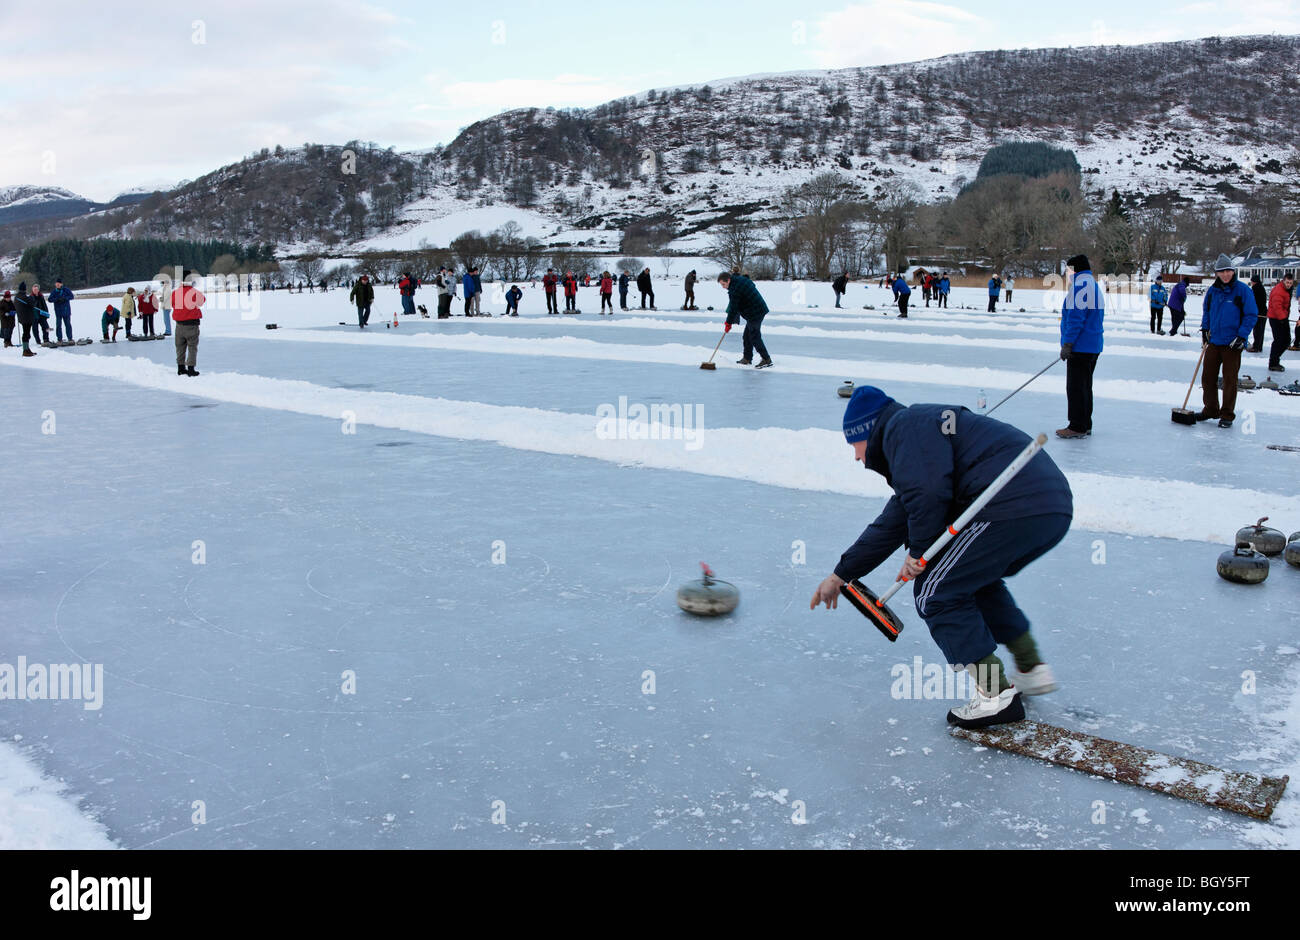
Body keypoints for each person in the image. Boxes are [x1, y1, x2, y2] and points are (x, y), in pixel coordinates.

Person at [809, 385, 1073, 728]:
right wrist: (841, 574)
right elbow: (897, 518)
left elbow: (928, 495)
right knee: (971, 582)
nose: (857, 457)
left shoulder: (903, 429)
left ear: (867, 432)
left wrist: (918, 553)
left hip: (1009, 502)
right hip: (1049, 505)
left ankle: (995, 695)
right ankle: (1030, 667)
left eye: (854, 446)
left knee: (937, 590)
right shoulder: (916, 438)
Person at [1197, 254, 1258, 429]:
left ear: (1233, 271)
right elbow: (1207, 311)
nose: (1225, 275)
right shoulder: (1212, 291)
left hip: (1233, 343)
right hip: (1215, 340)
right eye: (1222, 272)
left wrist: (1242, 336)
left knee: (1229, 380)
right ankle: (1210, 410)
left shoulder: (1242, 290)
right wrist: (1205, 330)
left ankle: (1227, 415)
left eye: (1228, 271)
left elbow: (1251, 314)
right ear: (1216, 273)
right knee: (1207, 377)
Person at [1057, 254, 1104, 440]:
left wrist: (1068, 343)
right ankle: (1085, 424)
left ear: (1074, 269)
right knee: (1085, 386)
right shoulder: (1092, 284)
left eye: (1068, 269)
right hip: (1092, 346)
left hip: (1080, 346)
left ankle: (1077, 426)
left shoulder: (1080, 286)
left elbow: (1076, 318)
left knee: (1076, 387)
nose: (1067, 273)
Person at [720, 271, 771, 368]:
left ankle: (766, 359)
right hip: (756, 309)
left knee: (754, 336)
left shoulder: (735, 289)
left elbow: (733, 308)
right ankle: (747, 358)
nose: (723, 287)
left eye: (723, 284)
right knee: (747, 336)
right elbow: (751, 283)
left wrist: (728, 323)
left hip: (755, 312)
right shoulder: (740, 279)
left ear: (729, 280)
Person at [172, 270, 205, 376]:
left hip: (179, 325)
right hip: (191, 325)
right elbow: (202, 301)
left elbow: (172, 304)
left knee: (180, 347)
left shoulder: (175, 293)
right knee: (192, 347)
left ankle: (180, 368)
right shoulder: (193, 292)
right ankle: (191, 368)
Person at [1265, 273, 1293, 373]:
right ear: (1283, 281)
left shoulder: (1286, 290)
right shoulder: (1279, 291)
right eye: (1287, 282)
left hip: (1282, 317)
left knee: (1286, 341)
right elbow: (1277, 306)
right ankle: (1273, 362)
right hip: (1276, 318)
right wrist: (1283, 319)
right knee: (1279, 341)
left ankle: (1275, 360)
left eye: (1290, 283)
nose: (1289, 284)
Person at [13, 283, 38, 356]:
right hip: (26, 319)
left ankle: (27, 349)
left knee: (26, 334)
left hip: (22, 318)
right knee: (26, 334)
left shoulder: (17, 297)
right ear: (24, 289)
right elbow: (33, 303)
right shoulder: (23, 297)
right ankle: (25, 350)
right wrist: (33, 297)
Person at [49, 278, 75, 343]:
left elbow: (72, 296)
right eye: (56, 284)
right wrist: (57, 299)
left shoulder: (66, 290)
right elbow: (49, 299)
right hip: (58, 312)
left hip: (66, 311)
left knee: (68, 325)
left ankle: (70, 338)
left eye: (59, 284)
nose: (57, 285)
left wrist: (65, 298)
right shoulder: (54, 291)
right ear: (55, 284)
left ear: (61, 284)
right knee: (58, 326)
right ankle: (59, 339)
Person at [1248, 275, 1268, 353]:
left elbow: (1253, 301)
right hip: (1264, 312)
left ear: (1253, 281)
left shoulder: (1255, 288)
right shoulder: (1261, 287)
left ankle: (1256, 347)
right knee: (1261, 330)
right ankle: (1259, 346)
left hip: (1258, 313)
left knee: (1257, 330)